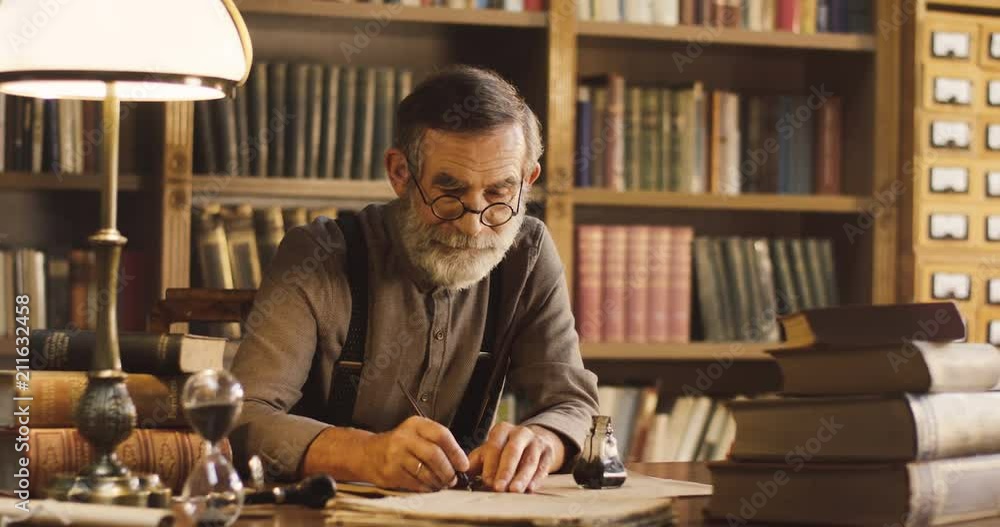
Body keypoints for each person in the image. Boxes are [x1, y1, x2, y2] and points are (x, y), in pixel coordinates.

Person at [229, 65, 600, 494]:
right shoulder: (317, 256)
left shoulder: (528, 254)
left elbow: (573, 406)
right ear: (400, 173)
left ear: (528, 180)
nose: (474, 228)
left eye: (499, 195)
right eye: (449, 195)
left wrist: (542, 443)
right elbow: (244, 416)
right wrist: (363, 454)